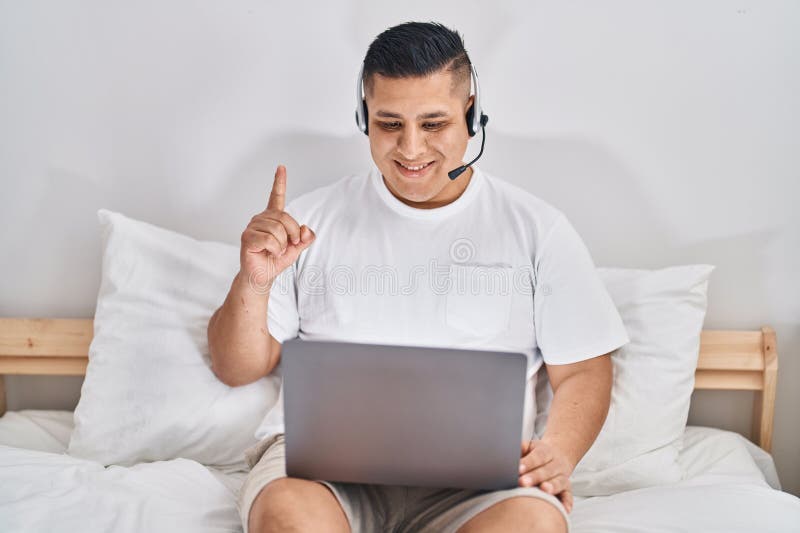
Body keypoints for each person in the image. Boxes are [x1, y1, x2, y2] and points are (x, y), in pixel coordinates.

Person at [207, 21, 629, 533]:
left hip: (481, 487)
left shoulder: (537, 228)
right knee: (288, 518)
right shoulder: (308, 221)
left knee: (534, 525)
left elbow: (584, 368)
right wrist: (253, 282)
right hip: (321, 478)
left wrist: (557, 452)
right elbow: (236, 368)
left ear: (471, 115)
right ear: (364, 117)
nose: (410, 149)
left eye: (433, 124)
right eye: (389, 124)